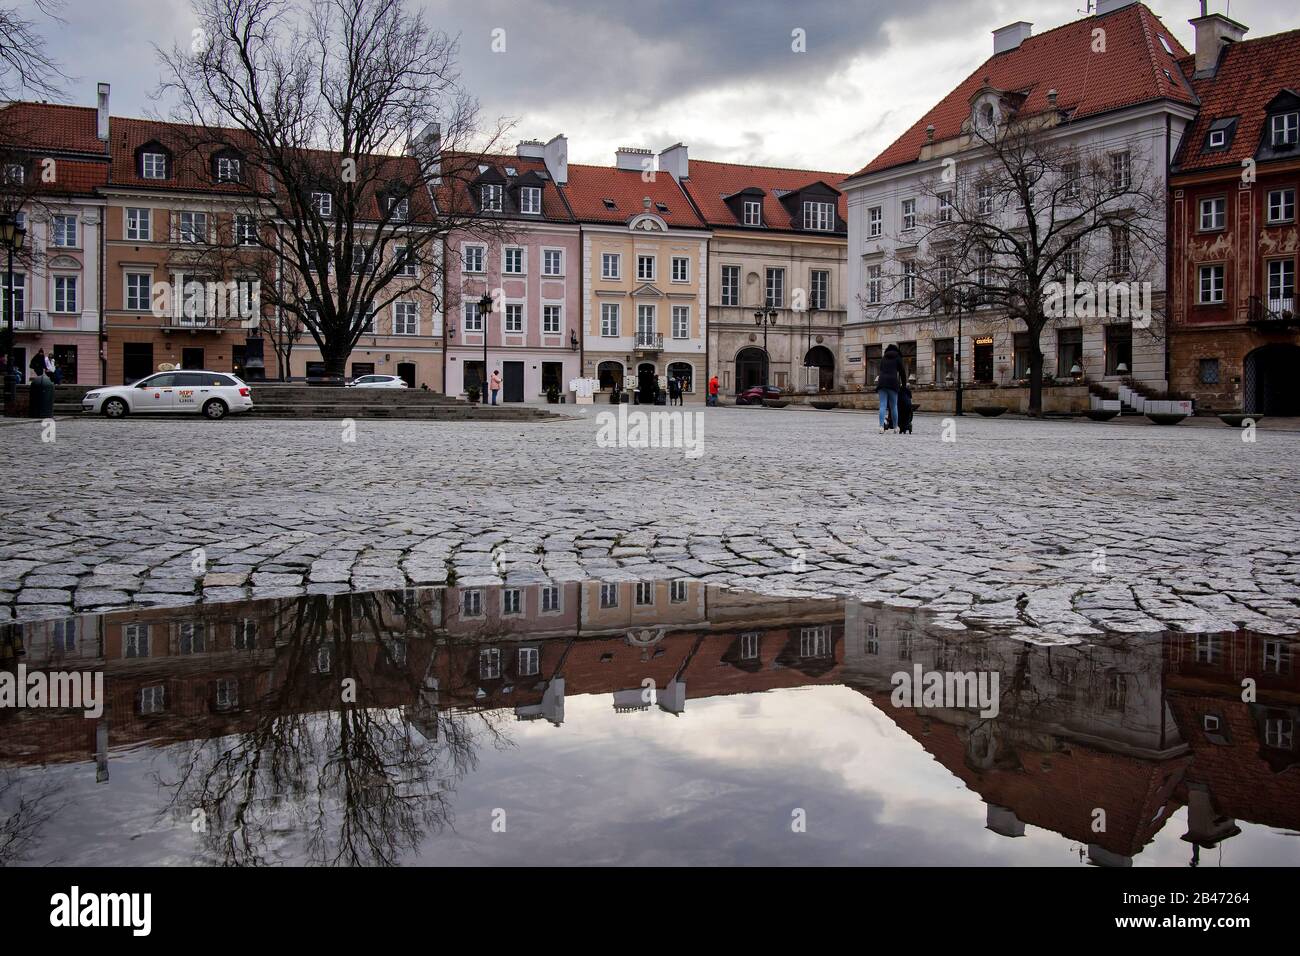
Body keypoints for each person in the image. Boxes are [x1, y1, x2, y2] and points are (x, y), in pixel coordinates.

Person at [876, 343, 907, 433]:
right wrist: (904, 385)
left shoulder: (883, 358)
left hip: (882, 382)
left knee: (882, 405)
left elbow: (881, 369)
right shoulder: (898, 358)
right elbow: (902, 372)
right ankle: (896, 427)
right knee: (893, 406)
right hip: (893, 383)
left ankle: (881, 427)